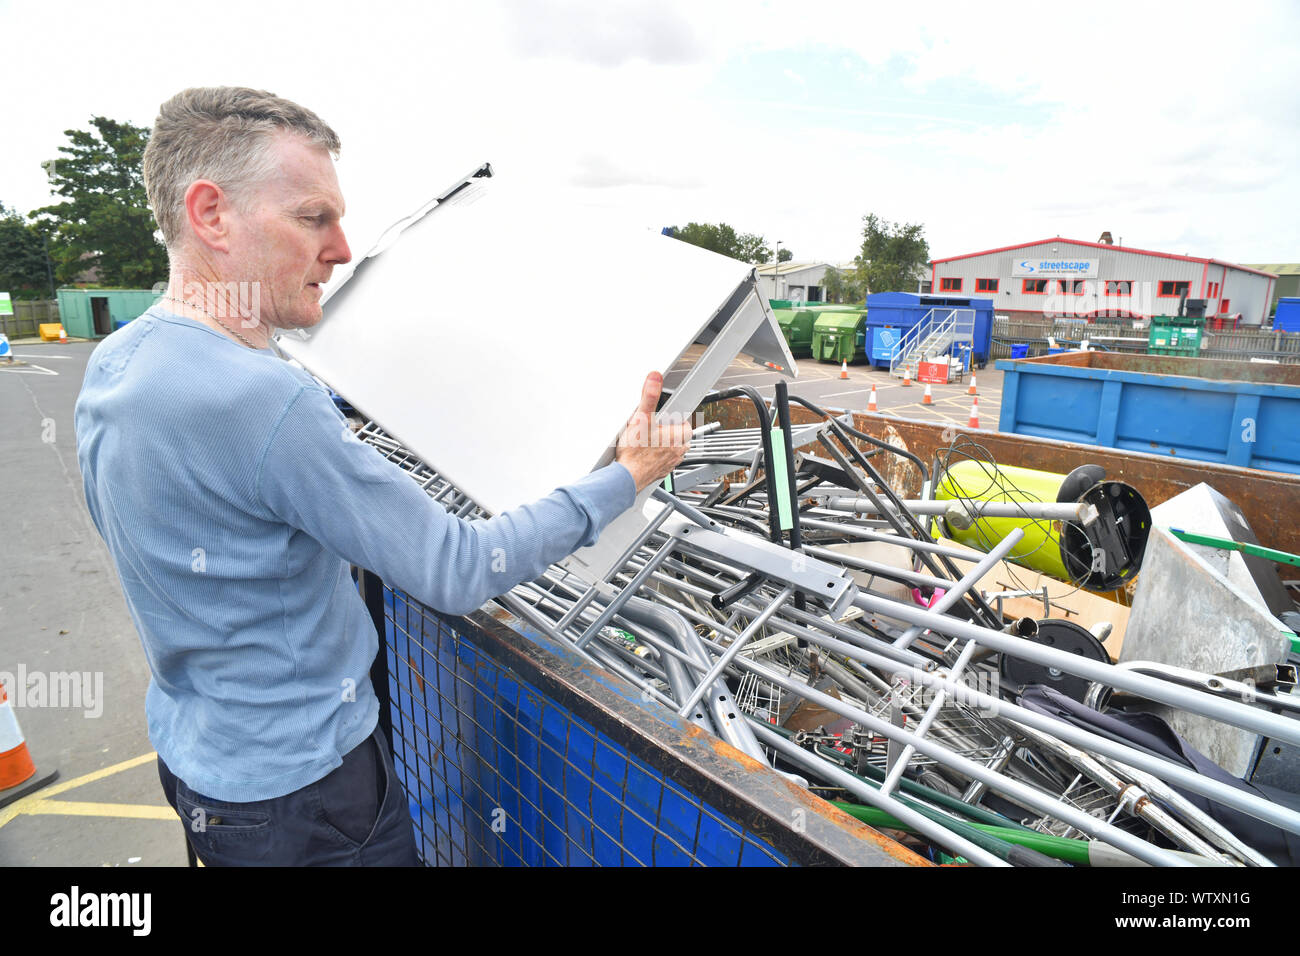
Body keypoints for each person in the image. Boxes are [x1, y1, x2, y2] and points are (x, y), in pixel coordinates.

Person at [73, 87, 690, 866]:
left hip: (205, 773)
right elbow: (459, 567)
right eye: (313, 217)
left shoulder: (117, 366)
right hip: (310, 801)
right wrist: (629, 476)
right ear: (211, 214)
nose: (340, 248)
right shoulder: (268, 401)